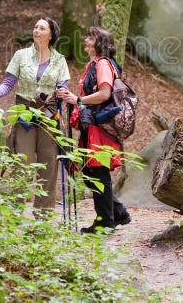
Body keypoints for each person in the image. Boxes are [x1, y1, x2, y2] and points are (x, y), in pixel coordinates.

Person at [0, 17, 70, 211]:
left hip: (48, 113)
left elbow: (62, 86)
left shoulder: (60, 60)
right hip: (23, 113)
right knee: (22, 160)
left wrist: (62, 92)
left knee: (49, 162)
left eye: (41, 28)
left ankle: (44, 215)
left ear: (51, 35)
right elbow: (8, 84)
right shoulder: (21, 55)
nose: (36, 31)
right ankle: (16, 212)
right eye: (35, 27)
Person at [58, 26, 131, 233]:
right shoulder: (95, 64)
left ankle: (105, 222)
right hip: (94, 124)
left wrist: (78, 99)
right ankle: (118, 213)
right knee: (91, 170)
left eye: (90, 38)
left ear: (99, 43)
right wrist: (73, 99)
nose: (86, 41)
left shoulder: (103, 64)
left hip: (100, 126)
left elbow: (105, 93)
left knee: (97, 171)